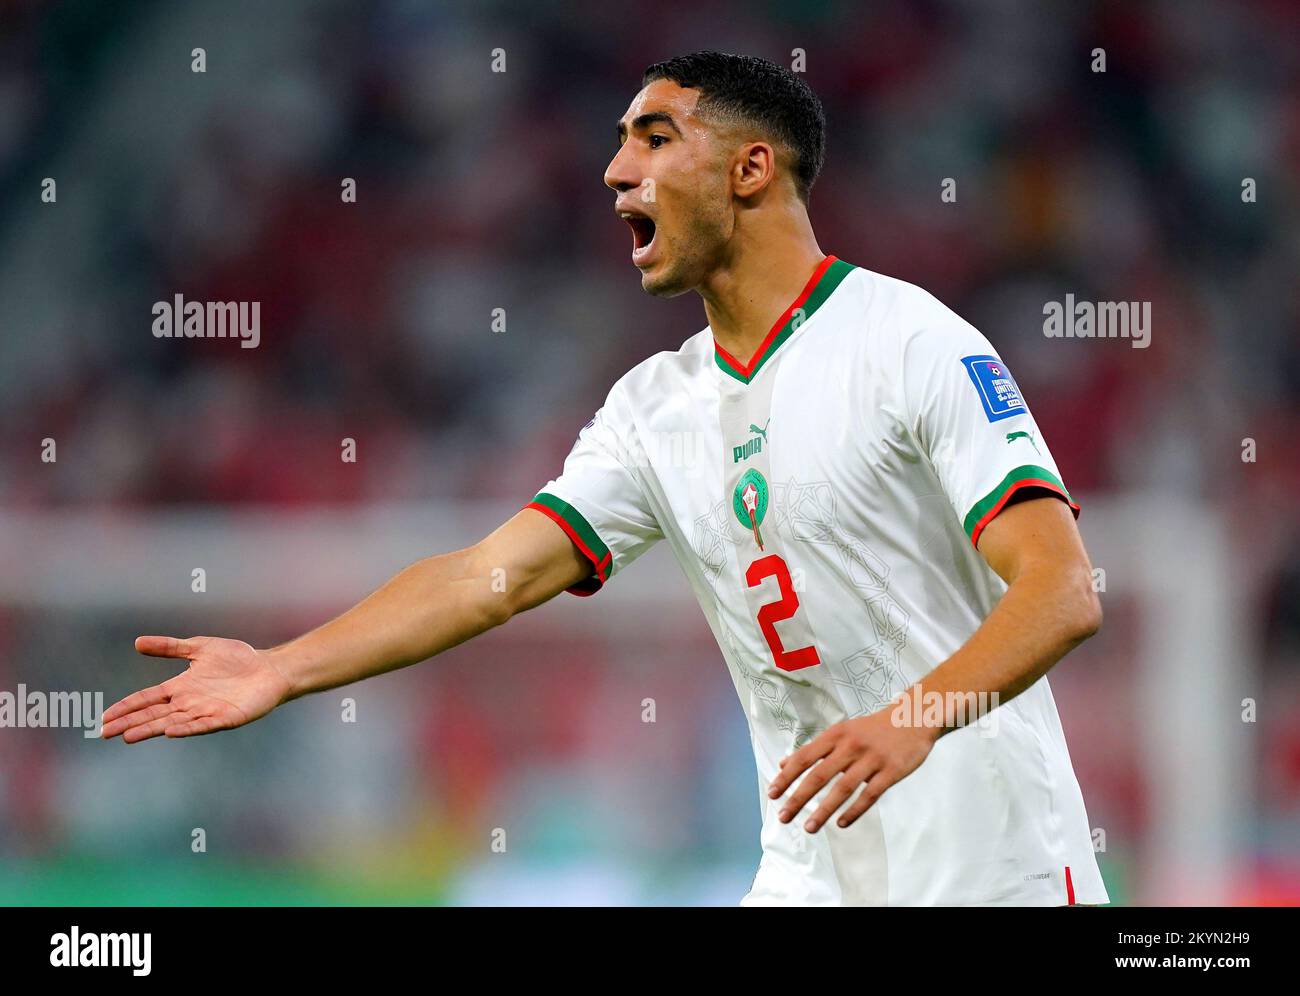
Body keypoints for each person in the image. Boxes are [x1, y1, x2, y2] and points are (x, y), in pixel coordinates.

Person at [103, 52, 1107, 907]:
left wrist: (910, 720)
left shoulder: (909, 343)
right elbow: (484, 577)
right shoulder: (652, 409)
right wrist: (284, 667)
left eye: (654, 138)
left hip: (995, 871)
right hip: (813, 875)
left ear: (750, 168)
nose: (615, 170)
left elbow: (1061, 591)